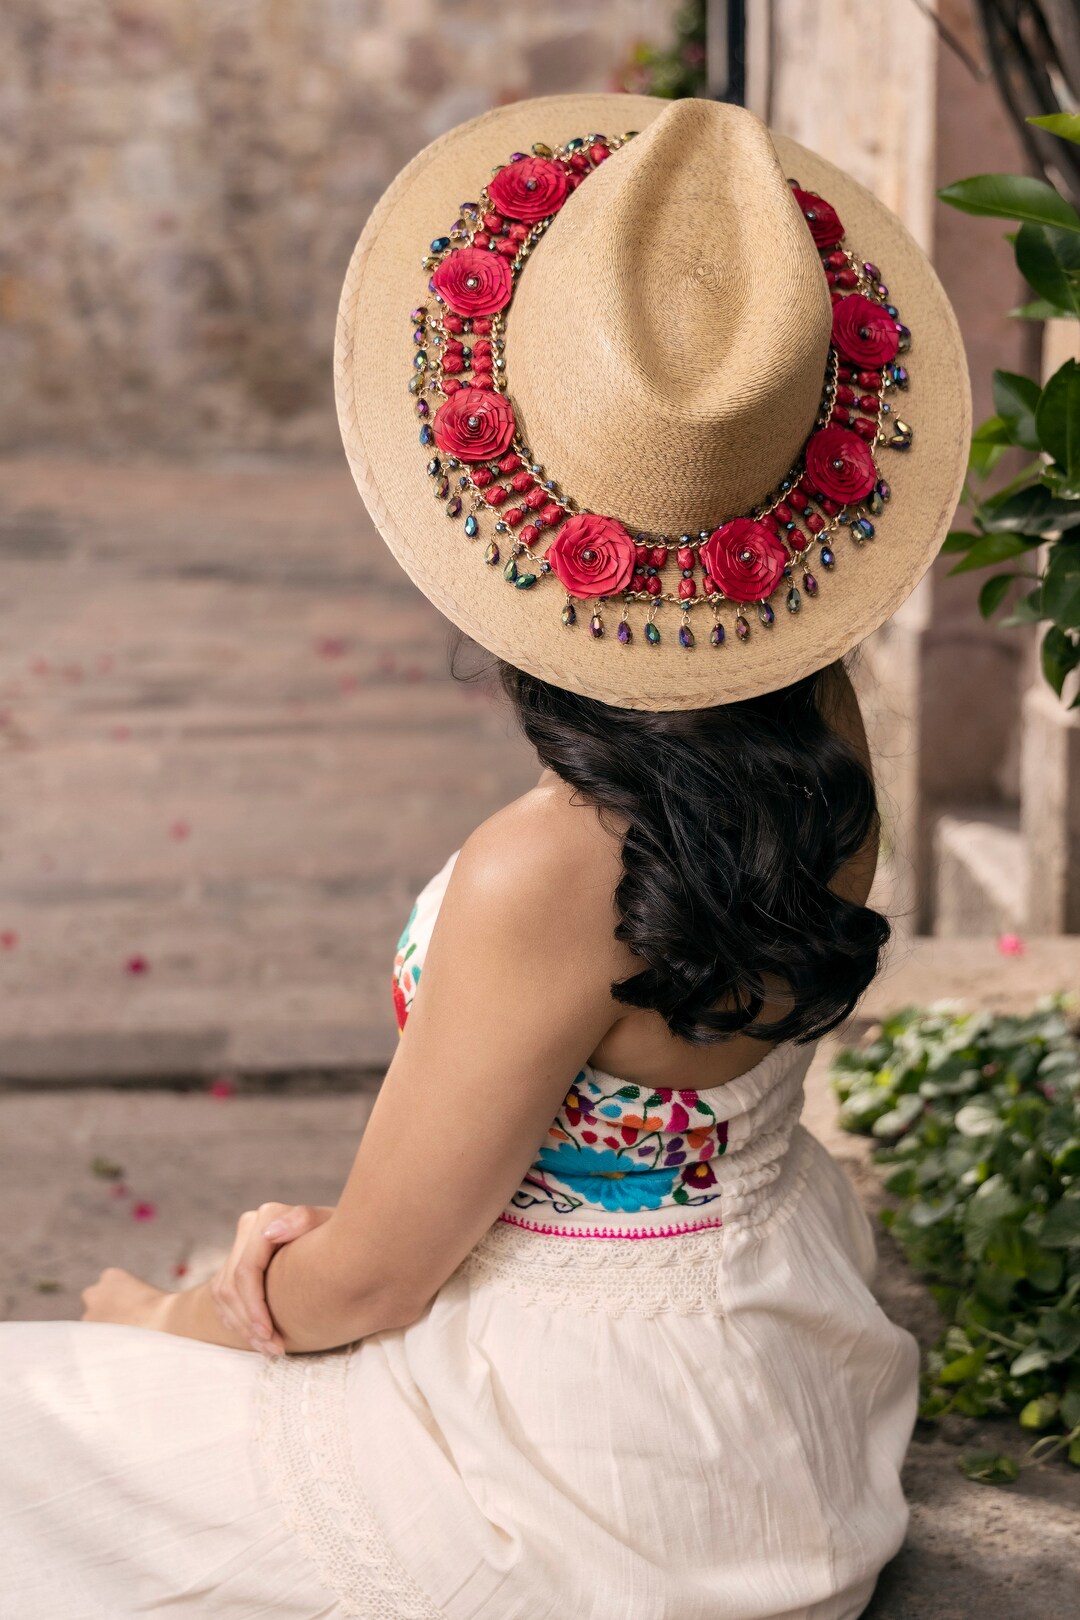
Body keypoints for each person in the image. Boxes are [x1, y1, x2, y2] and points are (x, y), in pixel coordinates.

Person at [0, 90, 970, 1620]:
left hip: (577, 1476)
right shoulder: (823, 735)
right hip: (772, 1392)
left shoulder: (557, 864)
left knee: (29, 1435)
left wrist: (189, 1308)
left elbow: (377, 1281)